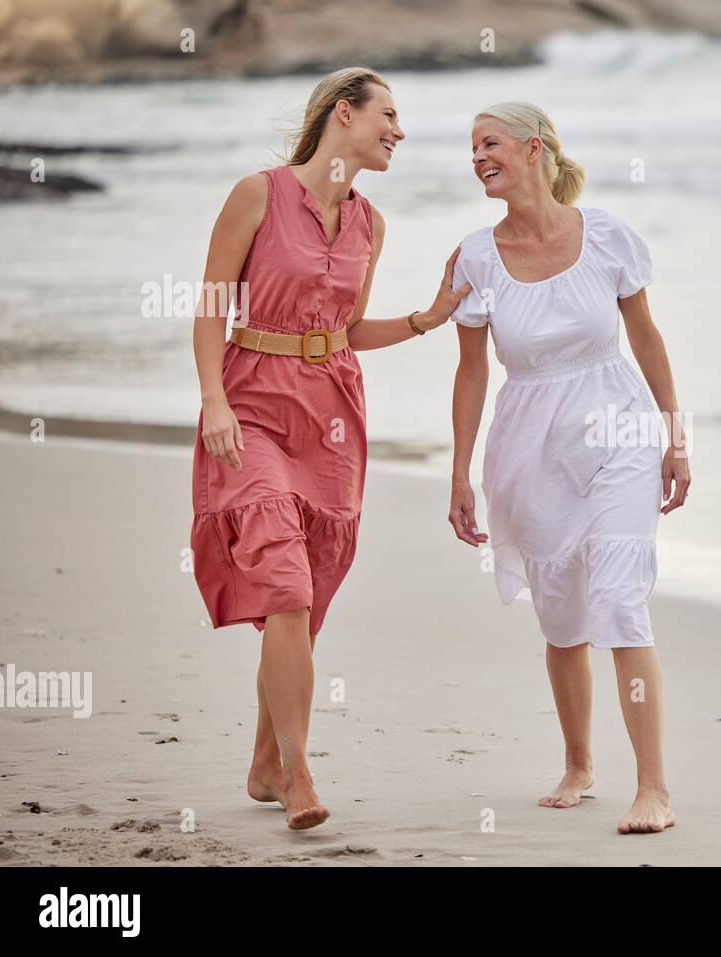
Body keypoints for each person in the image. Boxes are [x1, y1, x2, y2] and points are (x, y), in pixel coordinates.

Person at [190, 67, 470, 830]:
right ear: (343, 115)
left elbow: (344, 332)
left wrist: (426, 317)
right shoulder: (258, 194)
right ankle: (299, 773)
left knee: (304, 606)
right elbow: (212, 307)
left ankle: (261, 761)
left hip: (334, 417)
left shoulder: (371, 224)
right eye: (389, 115)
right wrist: (213, 399)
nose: (399, 131)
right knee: (284, 581)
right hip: (251, 402)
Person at [448, 102, 689, 834]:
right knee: (563, 622)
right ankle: (580, 763)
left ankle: (653, 787)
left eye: (489, 143)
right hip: (528, 447)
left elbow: (646, 339)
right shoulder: (476, 257)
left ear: (534, 148)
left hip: (618, 429)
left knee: (620, 599)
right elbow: (470, 376)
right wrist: (459, 473)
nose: (477, 157)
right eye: (471, 148)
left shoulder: (609, 235)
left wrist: (674, 436)